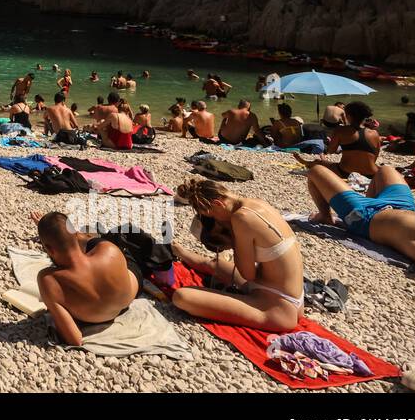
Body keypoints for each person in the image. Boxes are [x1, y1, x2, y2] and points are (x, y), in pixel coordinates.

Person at [304, 163, 415, 282]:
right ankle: (360, 199)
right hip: (404, 205)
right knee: (385, 169)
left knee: (316, 171)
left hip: (365, 216)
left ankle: (325, 216)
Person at [172, 179, 304, 331]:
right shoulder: (256, 203)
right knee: (215, 264)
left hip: (277, 308)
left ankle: (179, 252)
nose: (216, 221)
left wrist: (234, 241)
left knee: (181, 297)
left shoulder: (242, 218)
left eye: (213, 216)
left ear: (218, 204)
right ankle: (178, 250)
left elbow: (248, 274)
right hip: (277, 290)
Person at [31, 211, 141, 347]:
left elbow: (75, 340)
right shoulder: (109, 249)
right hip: (127, 295)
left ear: (48, 248)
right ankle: (64, 235)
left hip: (94, 318)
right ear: (76, 235)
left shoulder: (48, 280)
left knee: (88, 243)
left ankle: (59, 237)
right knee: (96, 241)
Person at [295, 100, 380, 177]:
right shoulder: (375, 133)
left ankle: (306, 163)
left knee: (319, 162)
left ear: (349, 116)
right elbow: (375, 156)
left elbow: (331, 150)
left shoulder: (341, 131)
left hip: (345, 171)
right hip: (371, 173)